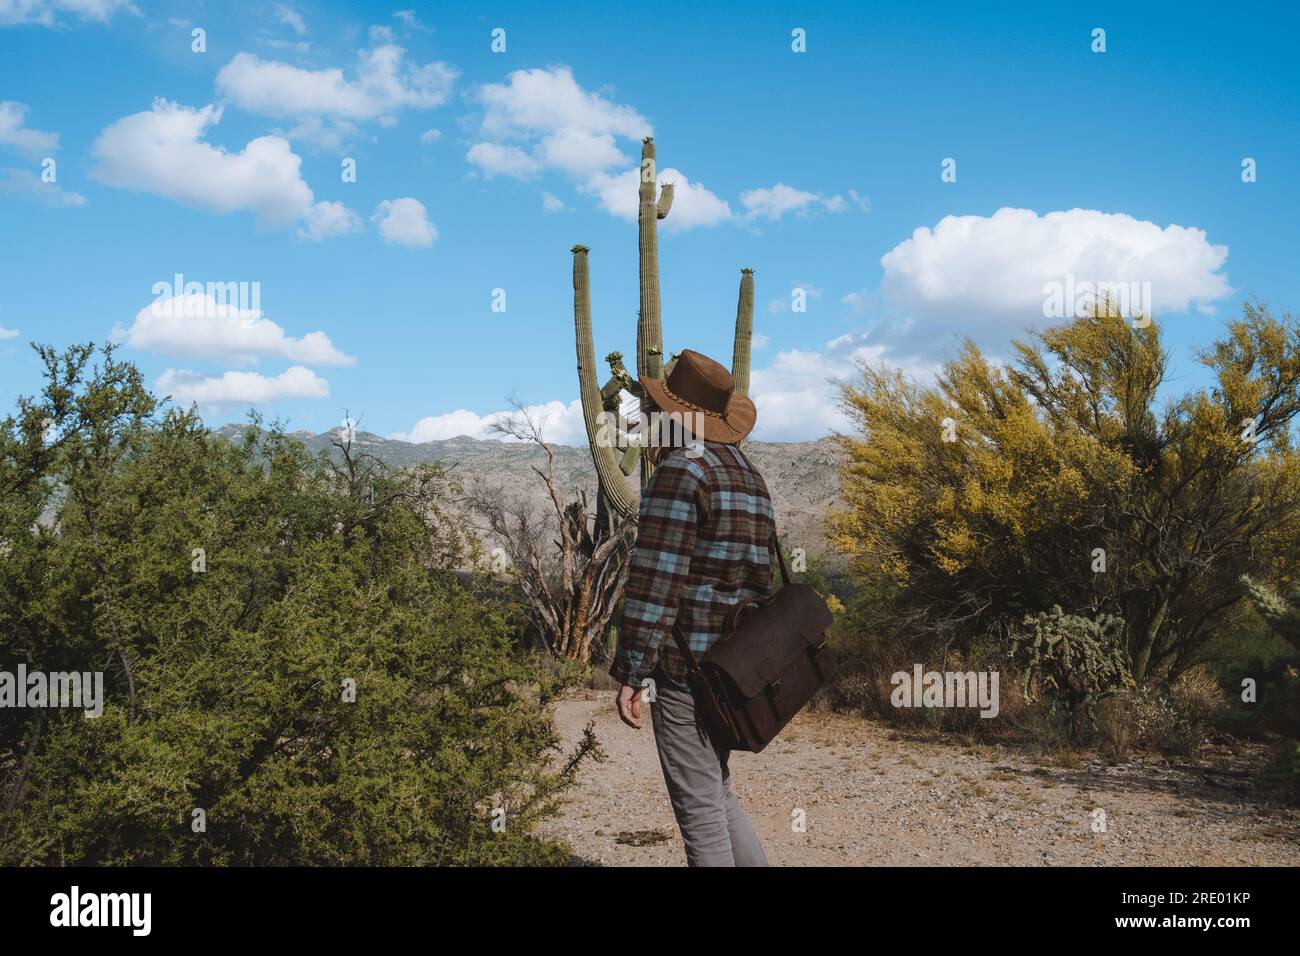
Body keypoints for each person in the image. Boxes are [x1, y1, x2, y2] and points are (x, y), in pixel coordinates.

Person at [609, 348, 775, 867]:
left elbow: (656, 581)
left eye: (656, 411)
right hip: (736, 666)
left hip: (684, 670)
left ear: (673, 418)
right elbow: (760, 579)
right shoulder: (750, 477)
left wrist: (634, 671)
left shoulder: (680, 472)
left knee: (700, 808)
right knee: (717, 790)